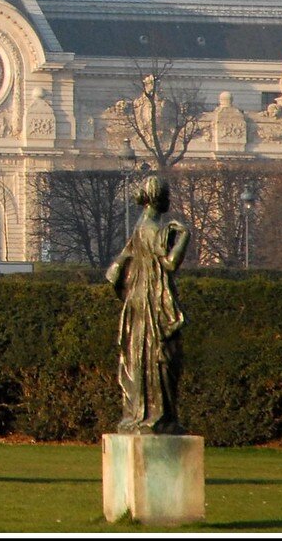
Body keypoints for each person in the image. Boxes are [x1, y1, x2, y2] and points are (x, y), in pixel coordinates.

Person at [106, 176, 191, 434]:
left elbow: (119, 269)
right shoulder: (152, 228)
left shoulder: (142, 225)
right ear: (160, 198)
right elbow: (170, 264)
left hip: (139, 301)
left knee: (140, 357)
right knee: (161, 359)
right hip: (153, 303)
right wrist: (185, 237)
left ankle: (142, 414)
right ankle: (158, 417)